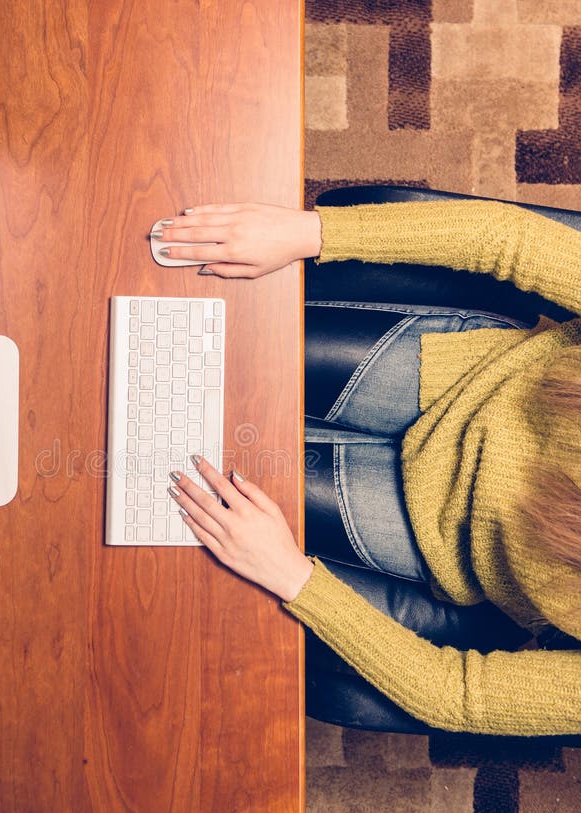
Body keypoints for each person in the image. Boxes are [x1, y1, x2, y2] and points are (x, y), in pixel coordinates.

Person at [154, 200, 581, 736]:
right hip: (464, 379)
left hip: (434, 533)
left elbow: (460, 697)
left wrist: (291, 575)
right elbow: (512, 242)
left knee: (167, 479)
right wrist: (305, 232)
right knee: (189, 342)